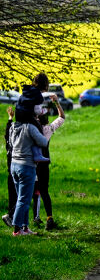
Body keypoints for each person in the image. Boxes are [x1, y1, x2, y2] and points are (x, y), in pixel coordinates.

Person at [8, 96, 64, 235]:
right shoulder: (41, 128)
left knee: (27, 195)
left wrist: (11, 118)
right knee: (35, 194)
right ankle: (21, 226)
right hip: (33, 164)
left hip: (19, 163)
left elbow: (10, 141)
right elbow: (61, 118)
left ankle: (26, 224)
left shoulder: (19, 127)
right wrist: (57, 102)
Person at [29, 98, 67, 229]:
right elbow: (62, 116)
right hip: (44, 163)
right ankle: (49, 218)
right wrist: (57, 102)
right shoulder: (48, 129)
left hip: (31, 163)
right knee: (44, 191)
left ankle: (32, 219)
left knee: (32, 192)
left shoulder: (30, 130)